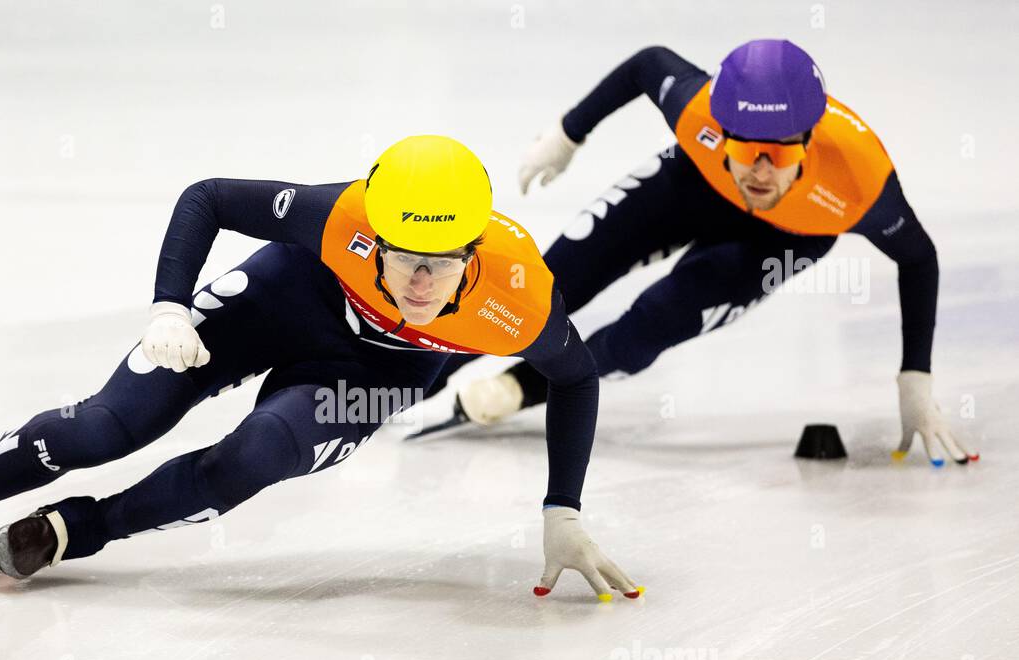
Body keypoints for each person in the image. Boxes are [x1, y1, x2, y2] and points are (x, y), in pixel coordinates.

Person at [0, 136, 641, 601]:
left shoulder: (519, 296)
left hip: (365, 379)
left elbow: (576, 376)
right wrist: (169, 305)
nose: (421, 283)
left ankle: (79, 529)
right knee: (105, 426)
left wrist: (562, 507)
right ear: (373, 237)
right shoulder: (338, 216)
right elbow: (208, 196)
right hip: (286, 300)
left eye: (443, 264)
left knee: (254, 455)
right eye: (402, 259)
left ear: (474, 252)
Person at [417, 40, 977, 468]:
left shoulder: (860, 182)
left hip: (783, 238)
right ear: (720, 129)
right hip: (694, 185)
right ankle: (415, 376)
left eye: (779, 156)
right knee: (543, 283)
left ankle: (520, 388)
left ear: (809, 141)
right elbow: (647, 63)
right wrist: (568, 134)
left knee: (651, 326)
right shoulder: (696, 108)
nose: (760, 173)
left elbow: (918, 258)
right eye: (746, 150)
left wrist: (915, 376)